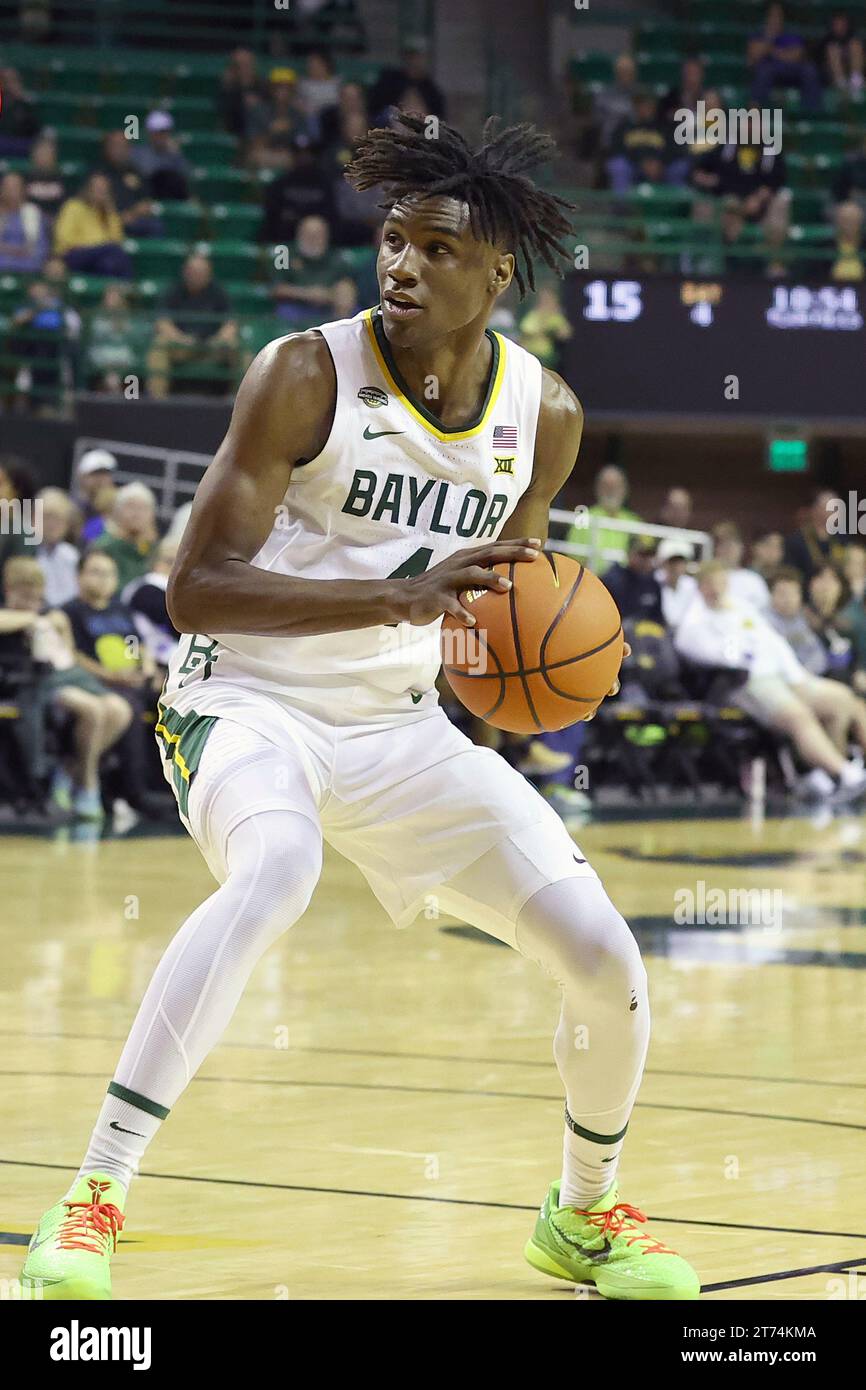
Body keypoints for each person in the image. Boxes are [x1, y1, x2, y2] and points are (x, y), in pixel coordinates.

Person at [21, 113, 699, 1304]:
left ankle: (581, 1219)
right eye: (391, 240)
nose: (400, 264)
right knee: (275, 870)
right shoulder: (300, 372)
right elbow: (193, 590)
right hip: (243, 701)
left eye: (436, 249)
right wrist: (401, 598)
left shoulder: (544, 414)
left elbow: (503, 612)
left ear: (497, 276)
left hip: (397, 729)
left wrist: (548, 664)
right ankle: (93, 1194)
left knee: (601, 954)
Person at [675, 561, 866, 797]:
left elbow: (774, 643)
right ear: (700, 587)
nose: (717, 588)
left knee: (844, 700)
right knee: (799, 715)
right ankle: (843, 773)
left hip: (784, 675)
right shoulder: (694, 623)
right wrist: (738, 637)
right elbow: (726, 657)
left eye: (721, 582)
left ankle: (828, 775)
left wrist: (797, 675)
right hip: (745, 682)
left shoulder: (742, 607)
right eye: (710, 584)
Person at [147, 255, 240, 399]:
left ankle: (241, 405)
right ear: (185, 272)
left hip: (212, 346)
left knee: (237, 347)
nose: (197, 276)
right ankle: (157, 402)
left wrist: (219, 340)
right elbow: (162, 323)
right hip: (181, 346)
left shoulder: (218, 292)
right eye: (193, 272)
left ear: (209, 274)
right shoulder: (173, 291)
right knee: (159, 345)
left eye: (202, 273)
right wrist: (182, 340)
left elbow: (230, 324)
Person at [271, 214, 357, 326]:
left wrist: (330, 296)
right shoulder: (283, 252)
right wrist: (308, 294)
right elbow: (277, 289)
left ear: (327, 236)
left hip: (328, 307)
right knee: (285, 312)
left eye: (318, 235)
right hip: (295, 307)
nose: (313, 239)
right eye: (308, 234)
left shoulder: (338, 257)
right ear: (299, 233)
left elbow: (347, 287)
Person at [53, 172, 132, 278]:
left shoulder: (108, 210)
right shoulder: (73, 206)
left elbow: (117, 238)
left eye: (104, 189)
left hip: (100, 255)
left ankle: (113, 291)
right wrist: (93, 246)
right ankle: (129, 286)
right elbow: (63, 238)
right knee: (112, 249)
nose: (101, 192)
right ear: (88, 189)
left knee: (108, 264)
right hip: (74, 254)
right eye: (98, 188)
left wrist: (110, 210)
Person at [566, 463, 641, 572]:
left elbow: (646, 549)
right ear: (597, 488)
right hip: (592, 579)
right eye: (606, 486)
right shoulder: (583, 517)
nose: (611, 490)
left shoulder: (634, 521)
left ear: (624, 489)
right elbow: (572, 557)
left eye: (616, 486)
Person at [92, 482, 159, 591]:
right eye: (131, 507)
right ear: (117, 511)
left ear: (152, 515)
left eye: (143, 508)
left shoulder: (156, 549)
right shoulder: (104, 546)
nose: (137, 514)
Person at [785, 488, 848, 580]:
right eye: (831, 508)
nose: (835, 512)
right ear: (815, 509)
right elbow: (791, 572)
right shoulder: (796, 540)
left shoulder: (842, 538)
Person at [602, 534, 664, 623]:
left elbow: (658, 619)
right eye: (642, 555)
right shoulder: (613, 580)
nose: (646, 560)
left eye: (650, 555)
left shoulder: (653, 585)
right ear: (629, 553)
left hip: (645, 634)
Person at [130, 112, 190, 202]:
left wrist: (176, 155)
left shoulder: (175, 154)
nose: (160, 136)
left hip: (172, 198)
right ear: (149, 133)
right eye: (156, 132)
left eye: (163, 132)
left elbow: (186, 176)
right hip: (145, 197)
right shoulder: (138, 153)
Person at [35, 487, 80, 606]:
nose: (52, 524)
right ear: (34, 518)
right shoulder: (25, 552)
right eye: (47, 516)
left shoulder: (72, 555)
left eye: (58, 518)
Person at [712, 521, 771, 609]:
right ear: (714, 548)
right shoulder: (708, 579)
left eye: (732, 544)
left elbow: (764, 611)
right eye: (723, 545)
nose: (728, 550)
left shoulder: (754, 579)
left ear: (741, 547)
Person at [0, 170, 49, 273]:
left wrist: (7, 249)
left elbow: (40, 248)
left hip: (28, 266)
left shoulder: (33, 212)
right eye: (7, 187)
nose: (11, 191)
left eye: (15, 187)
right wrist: (16, 251)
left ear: (24, 190)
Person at [72, 449, 118, 544]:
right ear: (82, 477)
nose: (101, 480)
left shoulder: (119, 508)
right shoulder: (71, 507)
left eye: (105, 474)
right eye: (95, 474)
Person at [24, 134, 68, 223]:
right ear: (34, 156)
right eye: (40, 153)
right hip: (31, 222)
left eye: (47, 153)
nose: (43, 158)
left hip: (57, 221)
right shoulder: (25, 178)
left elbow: (67, 205)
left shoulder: (63, 179)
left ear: (54, 156)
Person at [655, 538, 697, 628]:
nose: (676, 567)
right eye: (672, 562)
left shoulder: (691, 586)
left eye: (680, 562)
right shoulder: (654, 582)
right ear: (664, 563)